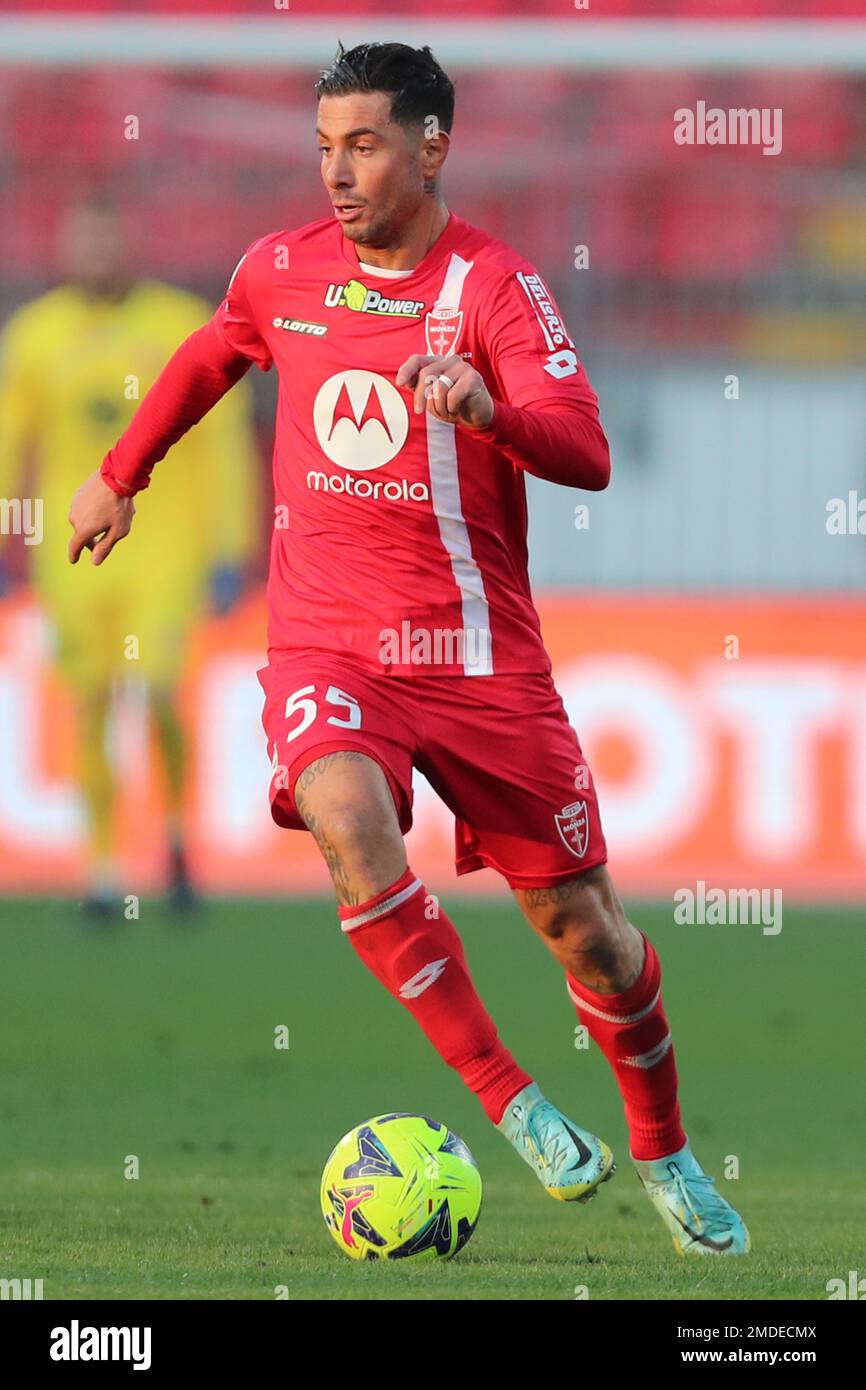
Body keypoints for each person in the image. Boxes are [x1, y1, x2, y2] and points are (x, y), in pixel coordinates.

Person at [68, 43, 749, 1253]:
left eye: (364, 143)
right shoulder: (279, 270)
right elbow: (214, 349)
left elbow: (584, 449)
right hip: (332, 644)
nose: (336, 169)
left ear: (432, 146)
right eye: (324, 143)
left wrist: (490, 410)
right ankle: (513, 1102)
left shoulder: (495, 287)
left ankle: (665, 1147)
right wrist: (122, 474)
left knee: (584, 928)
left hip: (478, 656)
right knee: (343, 815)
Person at [0, 192, 259, 913]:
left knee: (155, 693)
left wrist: (229, 545)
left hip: (164, 546)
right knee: (86, 700)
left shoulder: (178, 325)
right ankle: (103, 870)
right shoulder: (35, 335)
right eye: (83, 243)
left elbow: (224, 441)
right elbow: (7, 443)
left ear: (129, 246)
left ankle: (175, 840)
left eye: (106, 242)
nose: (96, 257)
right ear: (64, 251)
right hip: (72, 550)